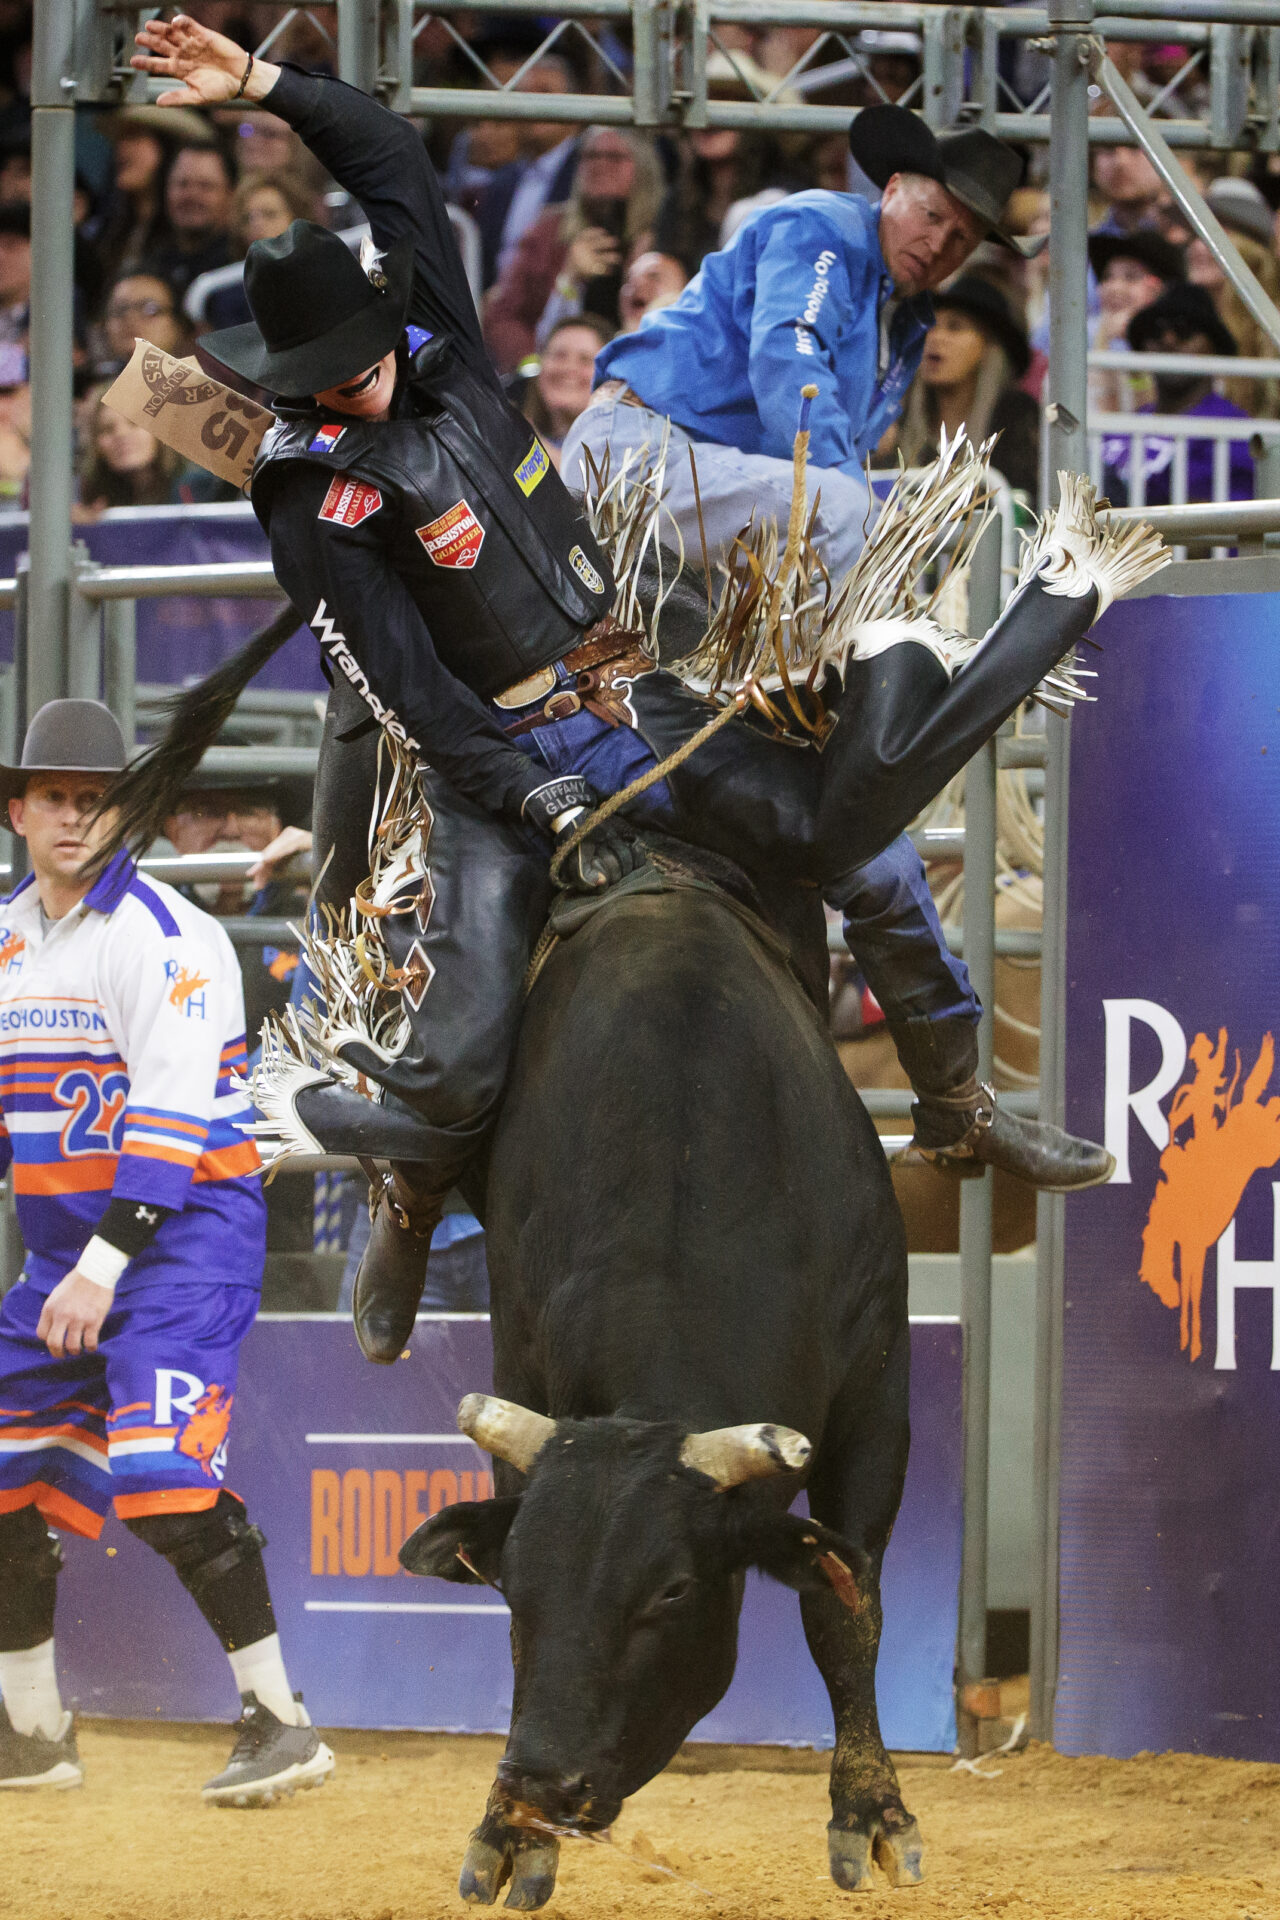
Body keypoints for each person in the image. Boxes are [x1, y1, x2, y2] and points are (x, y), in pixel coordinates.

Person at [126, 19, 1134, 1366]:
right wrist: (524, 783)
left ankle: (958, 1096)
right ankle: (409, 1201)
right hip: (497, 755)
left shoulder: (433, 343)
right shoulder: (312, 499)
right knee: (468, 1024)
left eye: (365, 352)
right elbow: (413, 688)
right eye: (327, 379)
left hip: (629, 682)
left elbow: (384, 155)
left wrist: (262, 85)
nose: (359, 383)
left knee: (877, 866)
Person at [0, 699, 333, 1804]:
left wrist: (101, 1268)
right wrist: (75, 1271)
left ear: (128, 813)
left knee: (162, 1479)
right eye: (52, 795)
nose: (73, 817)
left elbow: (173, 1122)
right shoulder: (4, 937)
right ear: (16, 810)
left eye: (95, 798)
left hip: (183, 1242)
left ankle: (282, 1721)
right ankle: (31, 1731)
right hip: (63, 1266)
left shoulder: (165, 934)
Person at [482, 127, 663, 375]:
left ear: (643, 167)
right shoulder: (547, 230)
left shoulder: (664, 234)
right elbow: (504, 316)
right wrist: (536, 367)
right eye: (591, 156)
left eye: (614, 157)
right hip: (557, 374)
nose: (599, 165)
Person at [1102, 282, 1254, 508]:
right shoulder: (1119, 428)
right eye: (1155, 331)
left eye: (1184, 330)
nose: (1168, 340)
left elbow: (1219, 528)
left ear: (1213, 346)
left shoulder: (1235, 432)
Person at [896, 275, 1039, 498]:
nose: (935, 337)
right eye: (930, 325)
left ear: (989, 346)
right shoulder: (898, 417)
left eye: (955, 327)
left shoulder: (1015, 415)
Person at [513, 314, 614, 467]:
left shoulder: (625, 450)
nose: (569, 368)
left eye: (585, 359)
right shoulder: (510, 436)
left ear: (610, 379)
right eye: (559, 356)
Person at [143, 140, 236, 299]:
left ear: (231, 194)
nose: (191, 195)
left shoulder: (240, 270)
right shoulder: (151, 264)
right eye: (182, 184)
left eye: (205, 186)